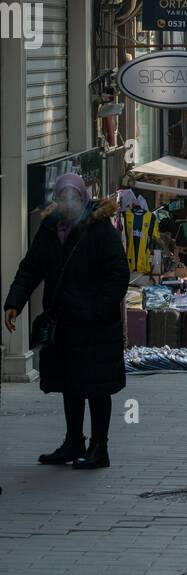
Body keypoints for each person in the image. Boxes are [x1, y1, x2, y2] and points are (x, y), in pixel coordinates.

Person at [3, 174, 129, 469]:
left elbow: (118, 274)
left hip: (95, 325)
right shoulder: (49, 229)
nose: (67, 204)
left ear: (82, 198)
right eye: (62, 198)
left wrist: (97, 310)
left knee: (97, 387)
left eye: (72, 197)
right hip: (64, 322)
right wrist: (14, 303)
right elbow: (30, 268)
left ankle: (100, 448)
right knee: (70, 383)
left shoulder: (99, 230)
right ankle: (74, 442)